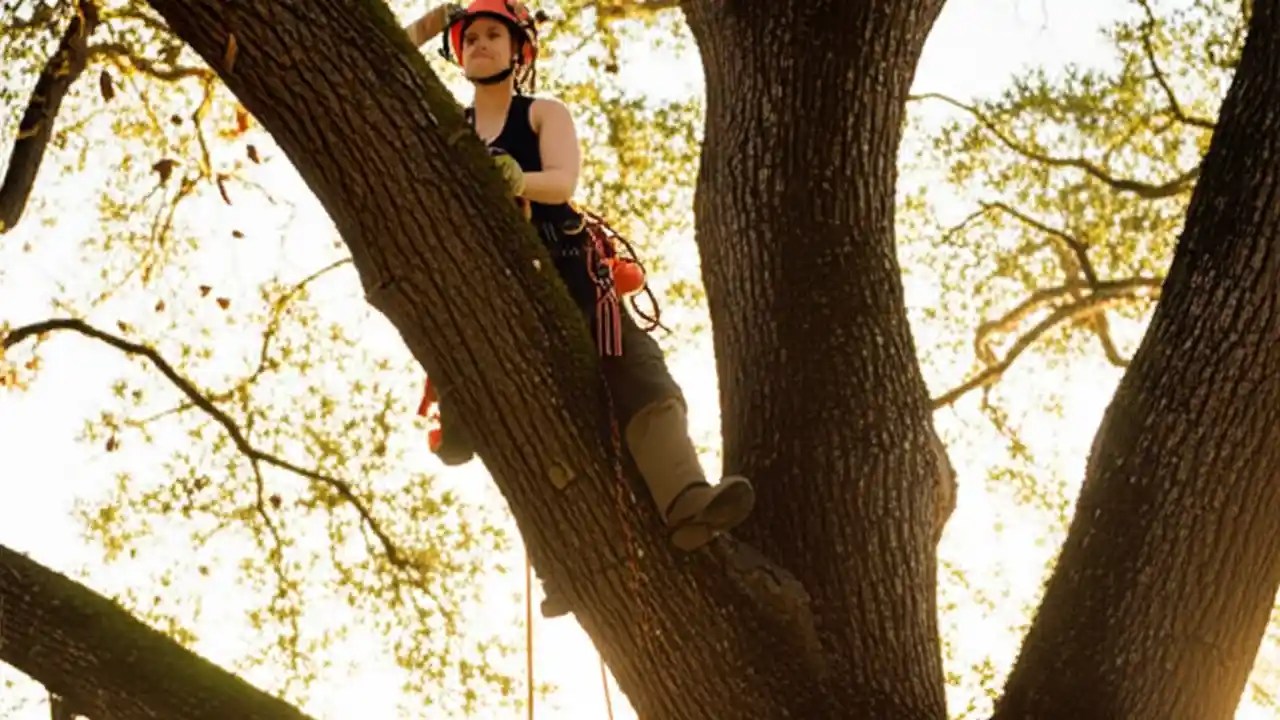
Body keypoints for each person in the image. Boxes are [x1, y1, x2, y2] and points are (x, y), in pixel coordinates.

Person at [404, 0, 754, 564]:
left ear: (519, 50)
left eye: (494, 35)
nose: (481, 45)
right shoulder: (448, 121)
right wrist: (428, 25)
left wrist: (520, 177)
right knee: (518, 412)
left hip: (562, 261)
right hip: (481, 277)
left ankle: (686, 497)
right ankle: (559, 566)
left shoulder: (543, 114)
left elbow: (562, 179)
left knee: (634, 361)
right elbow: (384, 70)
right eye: (470, 39)